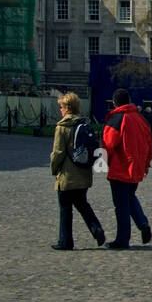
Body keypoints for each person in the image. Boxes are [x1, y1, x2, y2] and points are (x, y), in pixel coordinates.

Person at [50, 92, 106, 250]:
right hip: (83, 172)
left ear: (67, 108)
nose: (60, 110)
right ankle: (96, 229)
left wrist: (54, 168)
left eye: (61, 107)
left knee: (65, 208)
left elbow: (58, 152)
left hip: (67, 175)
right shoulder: (84, 124)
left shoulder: (62, 127)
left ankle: (65, 241)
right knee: (82, 204)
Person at [103, 89, 152, 249]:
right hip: (136, 167)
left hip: (120, 168)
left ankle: (122, 239)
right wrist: (145, 164)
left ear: (114, 103)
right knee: (130, 198)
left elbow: (108, 144)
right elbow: (149, 144)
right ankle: (143, 224)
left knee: (121, 205)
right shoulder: (141, 119)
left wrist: (103, 164)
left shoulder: (117, 119)